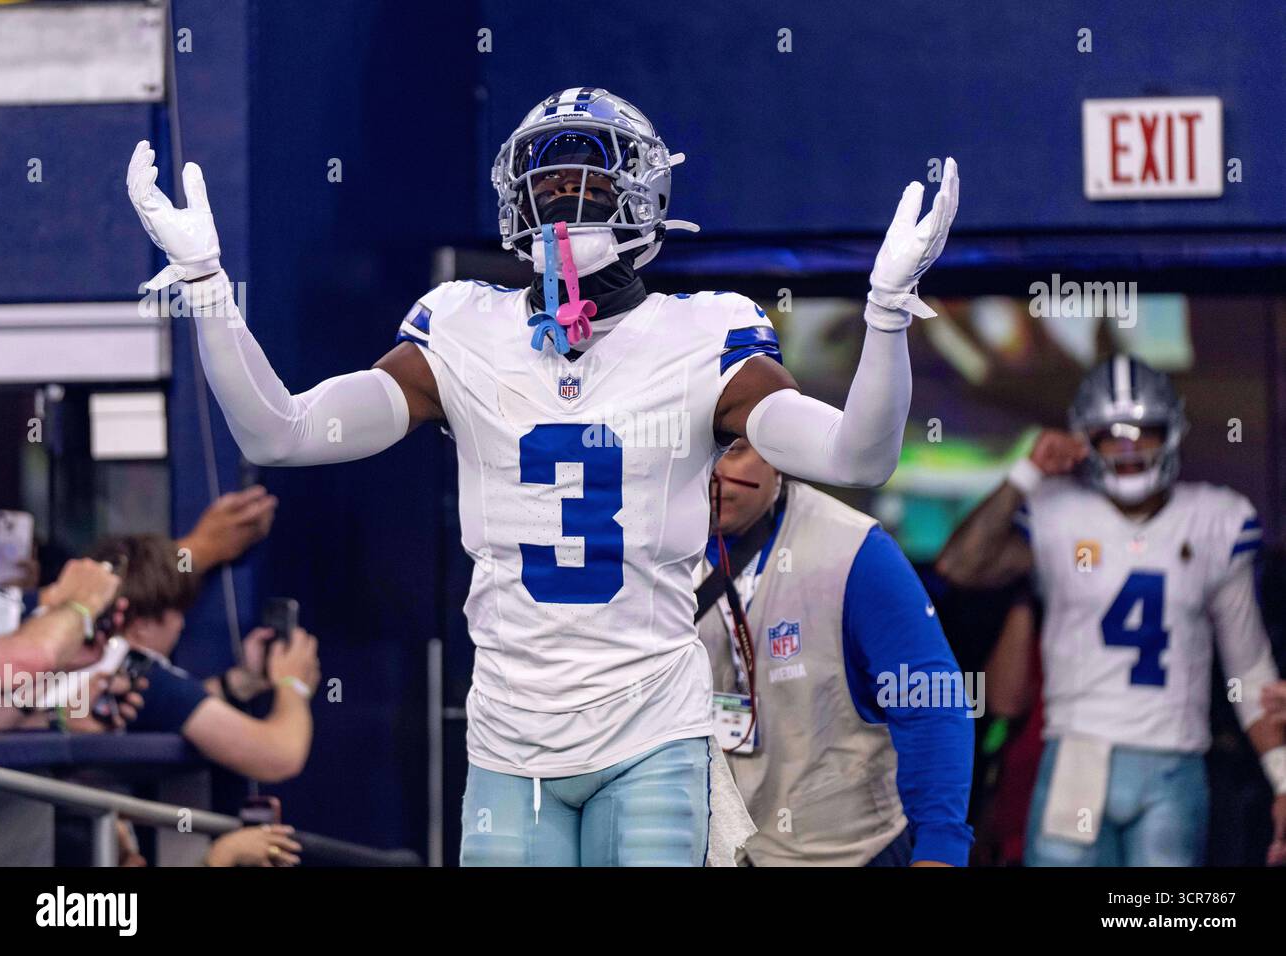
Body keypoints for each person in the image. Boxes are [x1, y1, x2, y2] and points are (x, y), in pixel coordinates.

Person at [125, 87, 960, 866]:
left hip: (653, 732)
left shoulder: (705, 334)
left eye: (588, 183)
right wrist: (206, 288)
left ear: (643, 198)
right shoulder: (462, 327)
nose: (565, 203)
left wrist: (886, 315)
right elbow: (282, 432)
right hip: (507, 739)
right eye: (548, 185)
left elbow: (858, 456)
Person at [936, 355, 1286, 866]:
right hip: (1076, 753)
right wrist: (1025, 473)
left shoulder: (1216, 518)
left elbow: (1248, 665)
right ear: (1085, 438)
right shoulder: (1059, 513)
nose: (1126, 446)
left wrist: (1282, 777)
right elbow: (960, 565)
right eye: (1110, 433)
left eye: (1142, 431)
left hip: (1175, 762)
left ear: (1171, 432)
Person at [697, 439, 973, 866]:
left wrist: (941, 848)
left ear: (779, 449)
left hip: (849, 854)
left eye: (733, 450)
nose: (713, 473)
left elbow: (929, 704)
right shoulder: (637, 548)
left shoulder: (853, 550)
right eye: (694, 453)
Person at [91, 534, 320, 783]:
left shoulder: (91, 659)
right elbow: (279, 756)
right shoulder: (140, 675)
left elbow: (178, 708)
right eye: (178, 612)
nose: (181, 625)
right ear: (143, 625)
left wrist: (239, 682)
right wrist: (293, 683)